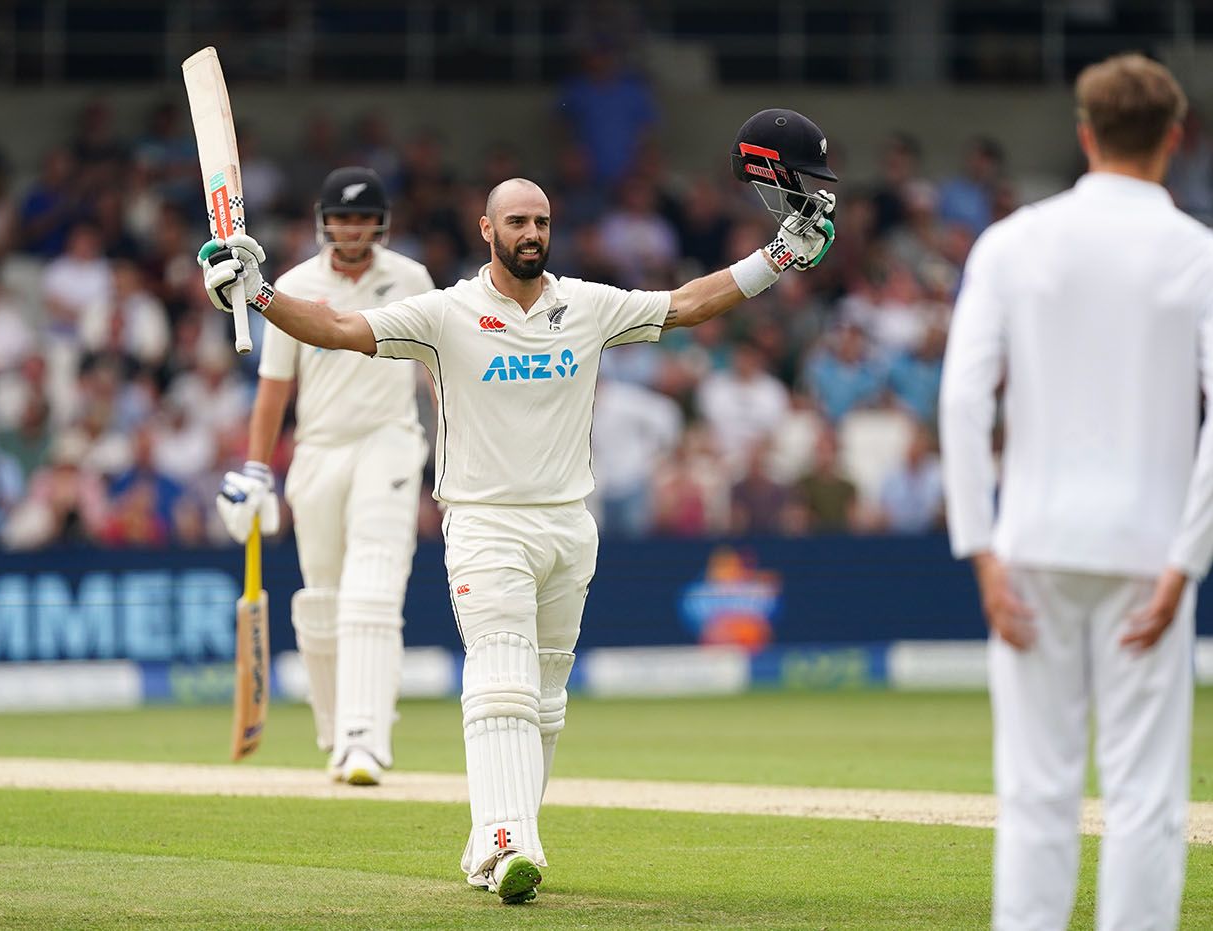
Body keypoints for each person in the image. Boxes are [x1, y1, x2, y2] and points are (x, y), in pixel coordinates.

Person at [200, 110, 837, 905]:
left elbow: (686, 304)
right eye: (516, 221)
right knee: (499, 679)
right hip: (484, 523)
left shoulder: (590, 304)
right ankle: (510, 845)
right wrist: (258, 292)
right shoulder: (443, 314)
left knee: (543, 698)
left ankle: (487, 843)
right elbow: (332, 326)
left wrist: (777, 257)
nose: (530, 232)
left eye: (539, 220)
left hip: (571, 525)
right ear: (487, 229)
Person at [940, 53, 1213, 931]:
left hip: (1032, 545)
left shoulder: (1015, 242)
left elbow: (961, 398)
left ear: (1086, 133)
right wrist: (1186, 560)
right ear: (1175, 138)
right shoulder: (1198, 253)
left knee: (1036, 794)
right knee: (1144, 797)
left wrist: (981, 550)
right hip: (1146, 549)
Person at [214, 167, 436, 786]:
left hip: (389, 443)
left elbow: (436, 372)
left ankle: (367, 736)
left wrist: (457, 452)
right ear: (323, 219)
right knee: (322, 600)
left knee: (373, 587)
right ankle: (338, 734)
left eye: (364, 217)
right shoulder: (290, 286)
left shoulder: (410, 279)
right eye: (342, 216)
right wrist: (256, 469)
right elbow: (273, 390)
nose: (353, 228)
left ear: (381, 222)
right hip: (317, 453)